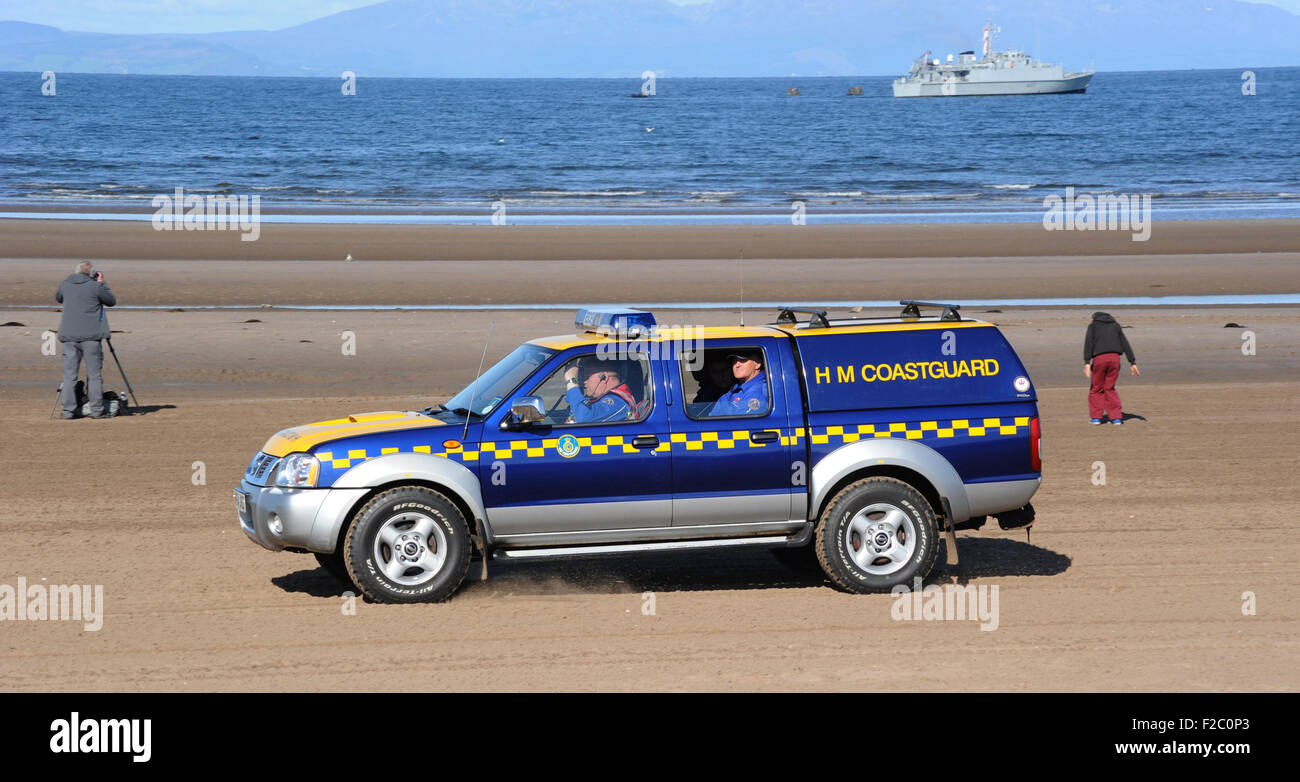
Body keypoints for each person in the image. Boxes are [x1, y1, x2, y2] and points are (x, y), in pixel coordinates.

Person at [56, 262, 117, 419]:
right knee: (94, 374)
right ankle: (96, 410)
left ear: (76, 272)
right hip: (91, 337)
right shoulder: (95, 286)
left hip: (69, 337)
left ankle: (67, 411)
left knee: (69, 376)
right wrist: (101, 283)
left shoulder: (65, 284)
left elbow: (58, 298)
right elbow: (110, 301)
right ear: (92, 273)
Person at [1084, 311, 1139, 425]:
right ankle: (1116, 418)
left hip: (1100, 358)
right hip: (1115, 359)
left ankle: (1096, 418)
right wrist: (1132, 362)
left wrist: (1087, 362)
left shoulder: (1093, 326)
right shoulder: (1115, 325)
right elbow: (1125, 343)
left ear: (1094, 318)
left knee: (1096, 388)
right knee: (1110, 388)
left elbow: (1088, 343)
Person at [564, 359, 637, 423]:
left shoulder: (618, 402)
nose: (583, 382)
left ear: (604, 378)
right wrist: (578, 391)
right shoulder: (601, 399)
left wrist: (571, 380)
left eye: (587, 377)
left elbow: (584, 417)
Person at [706, 350, 769, 417]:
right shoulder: (737, 387)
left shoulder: (758, 392)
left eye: (743, 360)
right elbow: (714, 414)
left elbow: (738, 423)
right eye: (735, 360)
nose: (737, 364)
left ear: (757, 364)